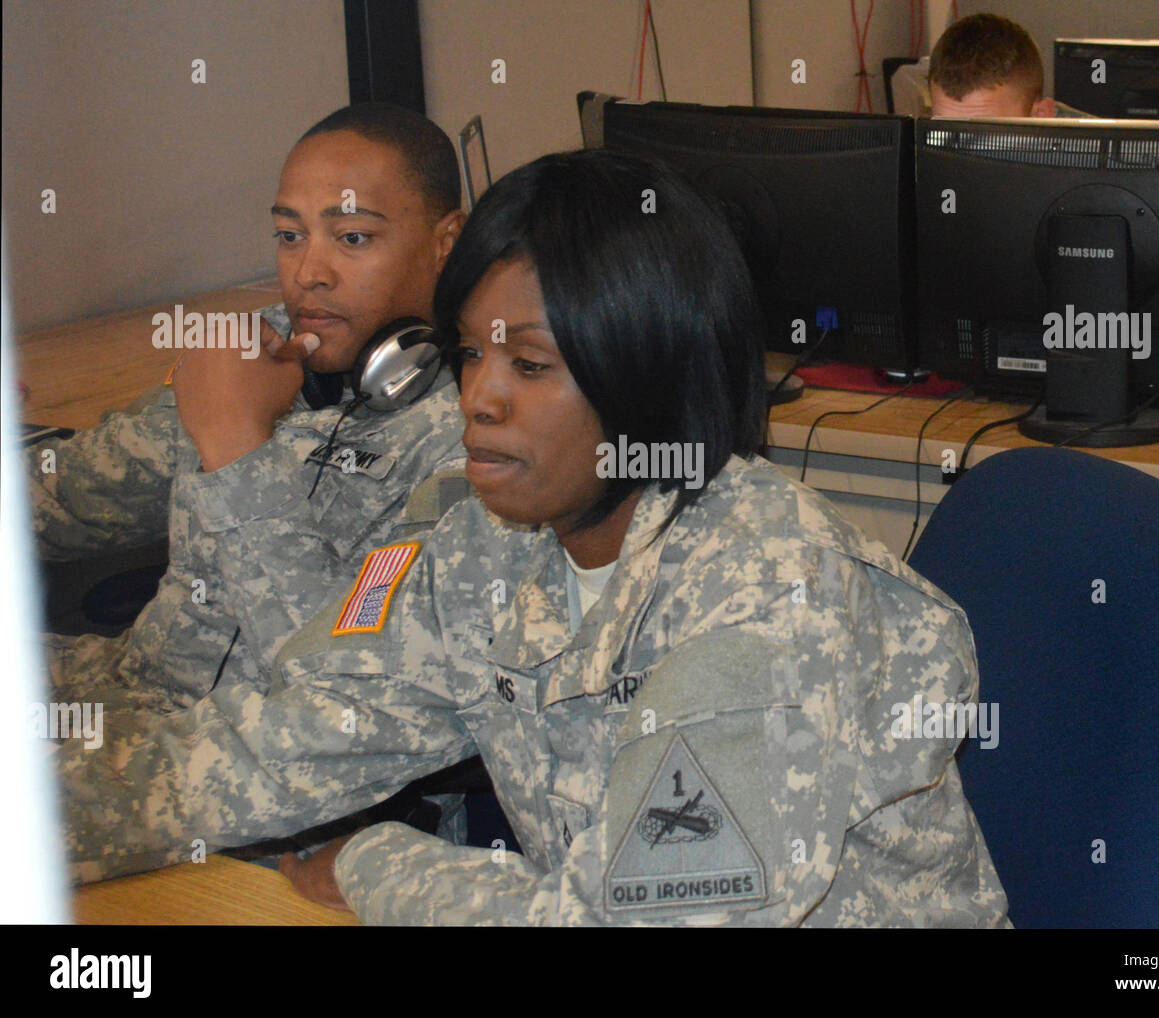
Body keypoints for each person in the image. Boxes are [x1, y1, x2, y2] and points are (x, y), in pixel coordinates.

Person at [61, 149, 1009, 927]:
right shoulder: (487, 543)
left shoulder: (766, 601)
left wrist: (378, 862)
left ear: (646, 376)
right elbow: (268, 748)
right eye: (471, 352)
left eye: (530, 363)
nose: (480, 395)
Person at [30, 103, 468, 717]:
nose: (308, 274)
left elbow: (342, 692)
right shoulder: (264, 353)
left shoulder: (477, 433)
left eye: (352, 238)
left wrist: (237, 444)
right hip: (126, 696)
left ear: (445, 242)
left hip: (257, 769)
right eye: (291, 237)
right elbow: (72, 497)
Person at [929, 13, 1089, 118]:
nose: (960, 151)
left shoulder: (1106, 161)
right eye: (944, 131)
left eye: (985, 136)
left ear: (1041, 114)